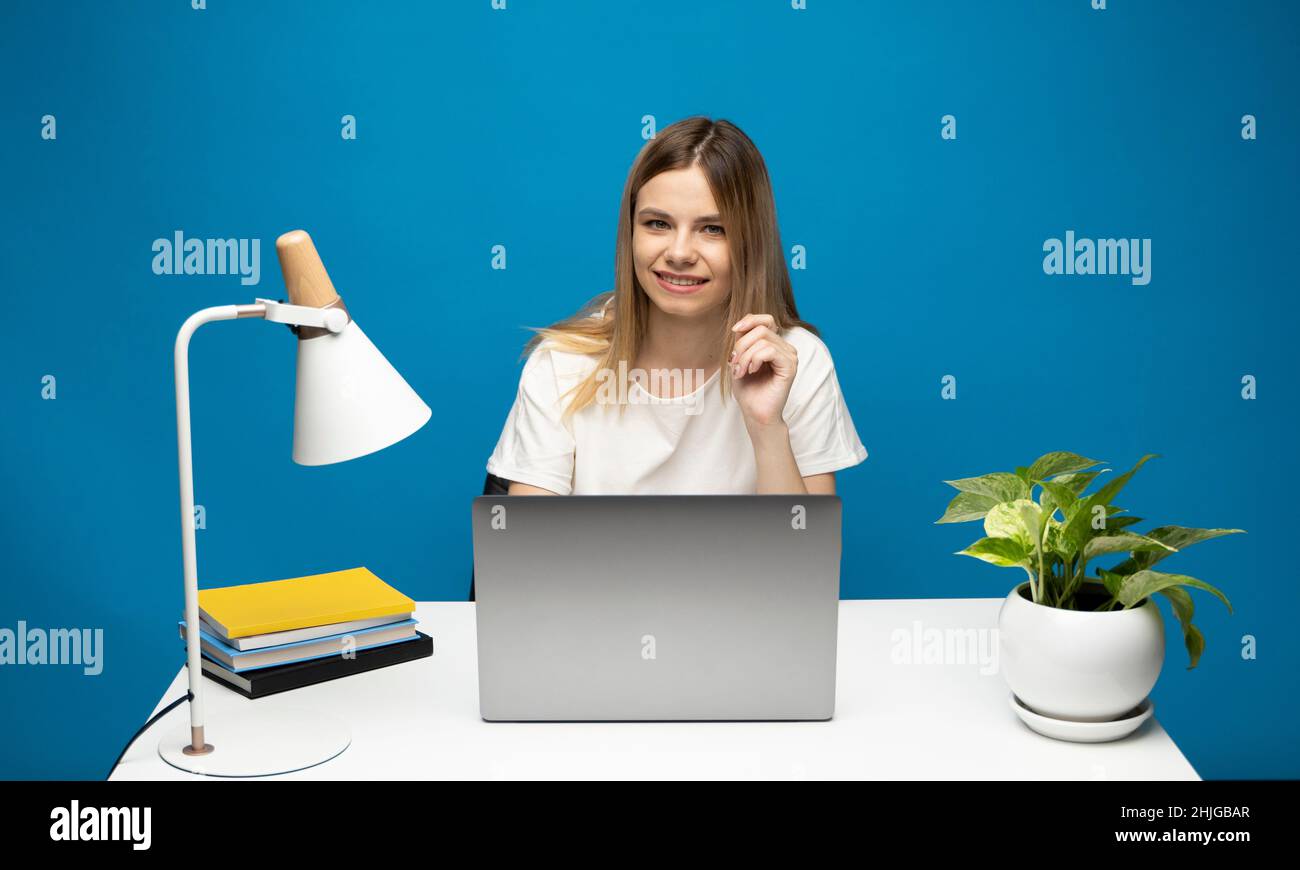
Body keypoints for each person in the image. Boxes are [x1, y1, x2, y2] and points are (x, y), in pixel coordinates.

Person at [486, 116, 867, 495]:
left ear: (751, 242)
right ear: (630, 231)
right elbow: (529, 554)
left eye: (713, 229)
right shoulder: (563, 366)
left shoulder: (797, 362)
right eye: (658, 224)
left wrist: (768, 427)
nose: (680, 253)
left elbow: (802, 555)